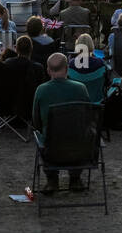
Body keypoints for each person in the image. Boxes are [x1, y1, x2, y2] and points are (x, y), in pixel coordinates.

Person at [31, 52, 92, 193]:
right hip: (79, 148)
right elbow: (88, 117)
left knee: (42, 136)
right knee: (79, 133)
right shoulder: (81, 88)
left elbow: (36, 122)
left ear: (48, 70)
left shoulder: (41, 90)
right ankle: (75, 178)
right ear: (67, 69)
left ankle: (52, 180)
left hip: (52, 149)